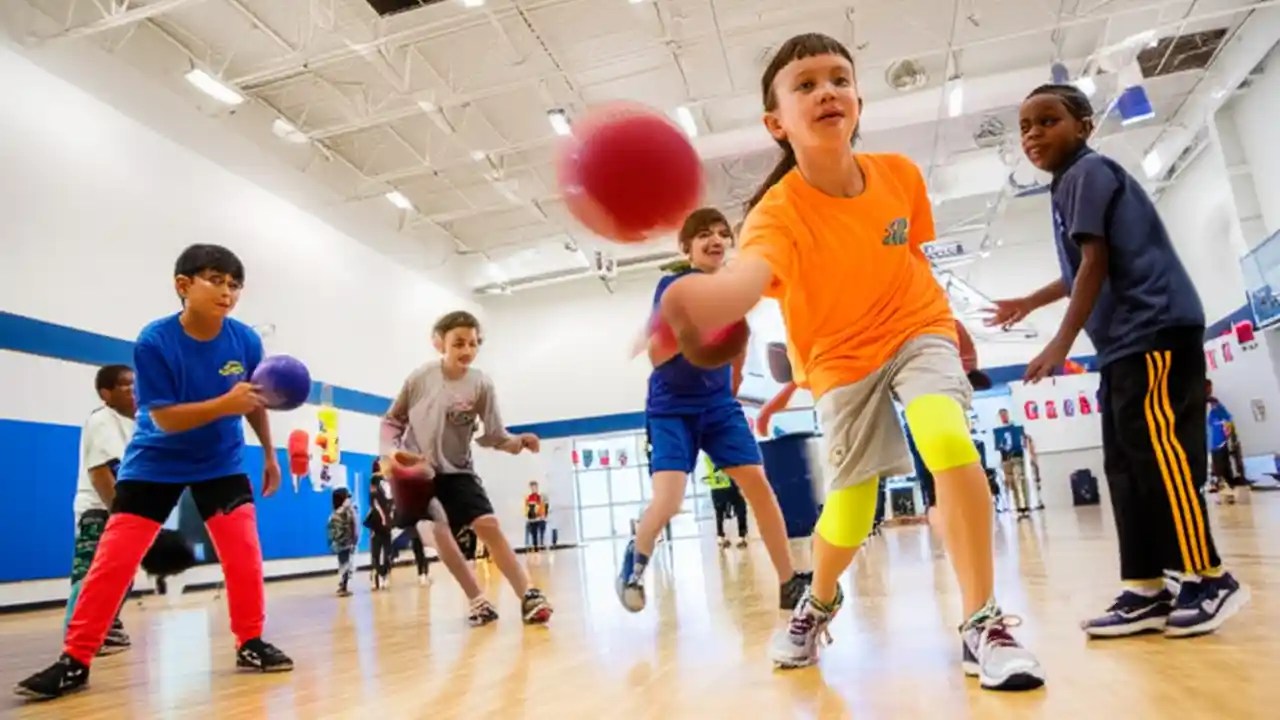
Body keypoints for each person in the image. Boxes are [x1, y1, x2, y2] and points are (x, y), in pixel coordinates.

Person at [654, 34, 1043, 689]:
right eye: (805, 84)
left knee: (946, 438)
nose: (826, 91)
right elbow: (751, 276)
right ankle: (820, 600)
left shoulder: (901, 176)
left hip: (917, 327)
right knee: (854, 507)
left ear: (859, 99)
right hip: (838, 358)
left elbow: (913, 256)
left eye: (839, 79)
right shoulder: (776, 213)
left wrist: (954, 332)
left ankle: (982, 621)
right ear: (776, 122)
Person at [988, 83, 1249, 639]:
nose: (1033, 133)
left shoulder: (1089, 171)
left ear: (1083, 125)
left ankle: (1210, 576)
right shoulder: (1069, 185)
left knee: (1163, 457)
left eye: (1047, 120)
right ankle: (1146, 588)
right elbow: (1081, 266)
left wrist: (1060, 342)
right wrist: (1029, 302)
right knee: (1126, 466)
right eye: (1025, 126)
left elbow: (1095, 264)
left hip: (1154, 327)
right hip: (1123, 344)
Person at [15, 244, 292, 702]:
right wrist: (227, 404)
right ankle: (75, 659)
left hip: (219, 463)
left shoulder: (245, 340)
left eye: (234, 284)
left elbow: (254, 400)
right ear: (183, 285)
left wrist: (269, 452)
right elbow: (164, 418)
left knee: (244, 553)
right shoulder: (155, 341)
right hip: (155, 463)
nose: (227, 292)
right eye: (215, 280)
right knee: (113, 562)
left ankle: (250, 642)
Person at [620, 207, 810, 614]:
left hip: (719, 408)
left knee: (758, 484)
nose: (717, 240)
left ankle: (788, 581)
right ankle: (633, 565)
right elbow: (665, 345)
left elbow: (739, 345)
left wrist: (736, 388)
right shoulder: (674, 284)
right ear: (686, 247)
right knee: (668, 501)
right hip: (672, 408)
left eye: (724, 234)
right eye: (705, 234)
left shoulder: (733, 293)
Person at [381, 310, 552, 626]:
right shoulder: (420, 379)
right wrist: (388, 454)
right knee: (438, 530)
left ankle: (528, 595)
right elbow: (393, 420)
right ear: (439, 344)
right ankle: (478, 601)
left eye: (473, 344)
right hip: (417, 472)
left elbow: (494, 435)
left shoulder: (481, 385)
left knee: (488, 525)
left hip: (457, 470)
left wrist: (517, 442)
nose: (467, 351)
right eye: (458, 343)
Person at [65, 365, 137, 657]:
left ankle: (106, 623)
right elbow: (101, 473)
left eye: (136, 385)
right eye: (126, 387)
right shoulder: (101, 420)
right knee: (92, 571)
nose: (134, 391)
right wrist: (121, 515)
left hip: (122, 509)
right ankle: (78, 629)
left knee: (123, 572)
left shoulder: (136, 424)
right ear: (106, 394)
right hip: (99, 508)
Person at [1206, 380, 1244, 504]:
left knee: (1224, 467)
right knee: (1216, 470)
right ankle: (1220, 493)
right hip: (1209, 444)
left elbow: (1228, 417)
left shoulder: (1215, 403)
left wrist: (1226, 426)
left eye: (1210, 388)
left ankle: (1228, 493)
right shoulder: (1198, 404)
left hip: (1219, 442)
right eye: (1207, 388)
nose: (1209, 390)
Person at [991, 409, 1033, 517]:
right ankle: (1018, 506)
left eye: (1005, 415)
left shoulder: (1015, 427)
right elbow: (999, 446)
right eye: (1001, 415)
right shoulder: (999, 430)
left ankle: (1026, 505)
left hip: (1017, 456)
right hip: (1006, 459)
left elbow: (1024, 438)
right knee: (1012, 483)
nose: (1003, 417)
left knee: (1021, 479)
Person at [705, 456, 749, 548]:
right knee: (740, 508)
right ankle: (742, 537)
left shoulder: (708, 452)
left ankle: (721, 537)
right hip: (730, 484)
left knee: (720, 513)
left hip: (716, 486)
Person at [365, 464, 395, 589]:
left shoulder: (373, 483)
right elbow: (391, 503)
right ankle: (385, 576)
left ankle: (376, 576)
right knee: (387, 550)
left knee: (375, 552)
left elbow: (374, 504)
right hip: (386, 523)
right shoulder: (388, 483)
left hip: (376, 523)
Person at [328, 488, 358, 597]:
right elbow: (354, 525)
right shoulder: (347, 511)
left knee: (343, 563)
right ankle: (343, 586)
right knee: (347, 564)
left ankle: (342, 584)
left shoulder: (334, 513)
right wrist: (354, 540)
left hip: (339, 543)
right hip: (347, 542)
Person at [524, 481, 549, 551]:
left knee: (541, 533)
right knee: (534, 534)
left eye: (535, 487)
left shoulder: (541, 497)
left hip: (541, 518)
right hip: (533, 519)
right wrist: (529, 516)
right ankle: (536, 547)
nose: (534, 488)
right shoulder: (529, 498)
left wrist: (544, 515)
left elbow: (544, 507)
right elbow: (527, 508)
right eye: (532, 487)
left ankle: (542, 545)